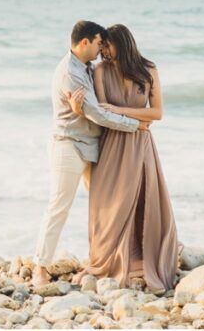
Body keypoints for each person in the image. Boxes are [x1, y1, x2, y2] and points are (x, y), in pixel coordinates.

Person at [31, 21, 151, 288]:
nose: (101, 48)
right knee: (59, 206)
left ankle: (100, 261)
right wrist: (135, 125)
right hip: (69, 145)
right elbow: (96, 112)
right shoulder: (69, 73)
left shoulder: (87, 68)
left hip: (92, 146)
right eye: (98, 43)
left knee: (102, 206)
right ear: (84, 43)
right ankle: (39, 268)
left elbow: (94, 106)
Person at [69, 24, 179, 292]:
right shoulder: (100, 71)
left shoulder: (149, 69)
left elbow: (157, 113)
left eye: (107, 44)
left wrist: (121, 109)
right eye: (101, 45)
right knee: (109, 201)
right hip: (114, 142)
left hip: (141, 143)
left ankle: (140, 257)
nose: (103, 50)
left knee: (143, 198)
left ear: (123, 43)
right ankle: (105, 257)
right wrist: (130, 117)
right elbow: (104, 115)